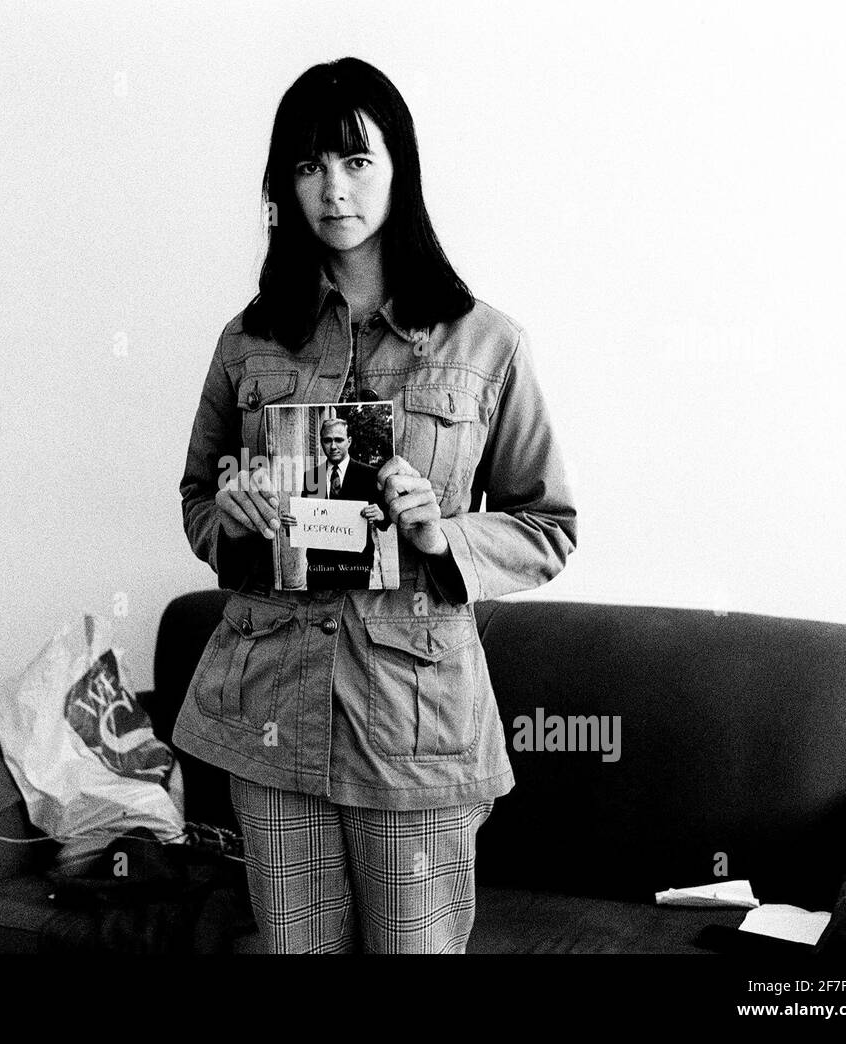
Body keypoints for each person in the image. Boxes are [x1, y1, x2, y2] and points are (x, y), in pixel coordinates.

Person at [173, 57, 578, 953]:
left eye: (357, 162)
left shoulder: (486, 343)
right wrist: (231, 518)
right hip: (270, 715)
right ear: (284, 184)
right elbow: (200, 498)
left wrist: (445, 531)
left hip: (414, 728)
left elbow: (548, 526)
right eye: (310, 166)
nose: (334, 189)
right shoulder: (248, 340)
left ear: (401, 171)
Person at [282, 417, 391, 589]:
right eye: (327, 440)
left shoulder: (368, 474)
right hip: (320, 566)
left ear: (349, 441)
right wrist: (290, 524)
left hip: (356, 565)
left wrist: (381, 514)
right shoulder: (312, 477)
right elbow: (304, 523)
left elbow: (385, 522)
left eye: (339, 440)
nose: (333, 446)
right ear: (321, 443)